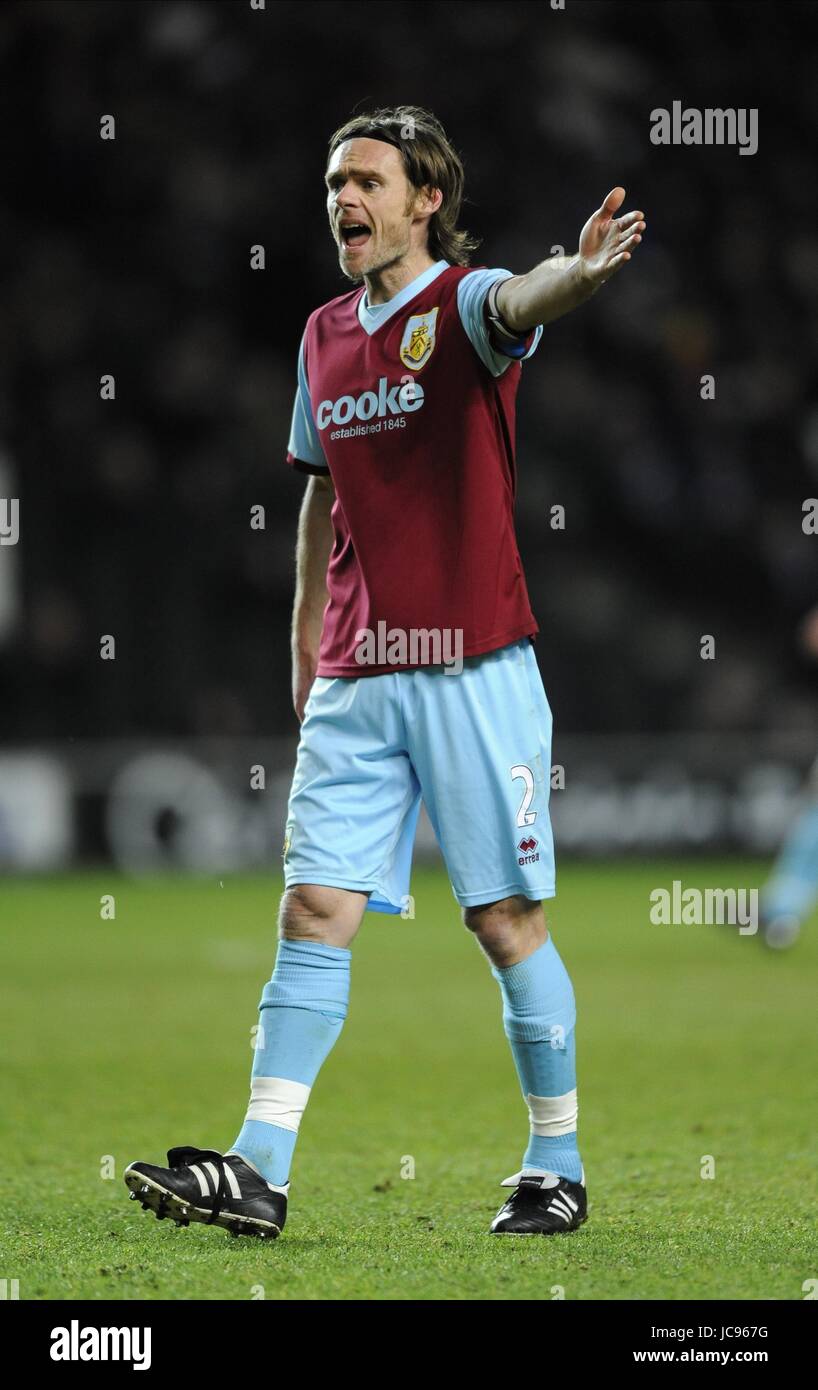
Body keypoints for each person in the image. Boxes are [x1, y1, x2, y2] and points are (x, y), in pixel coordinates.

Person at [124, 104, 646, 1239]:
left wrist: (581, 271)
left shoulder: (462, 304)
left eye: (366, 180)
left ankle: (554, 1164)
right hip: (358, 673)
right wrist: (309, 640)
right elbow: (317, 491)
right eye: (332, 183)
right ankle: (258, 1165)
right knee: (312, 907)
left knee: (503, 921)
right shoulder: (320, 335)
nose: (343, 200)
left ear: (424, 201)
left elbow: (524, 298)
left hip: (472, 664)